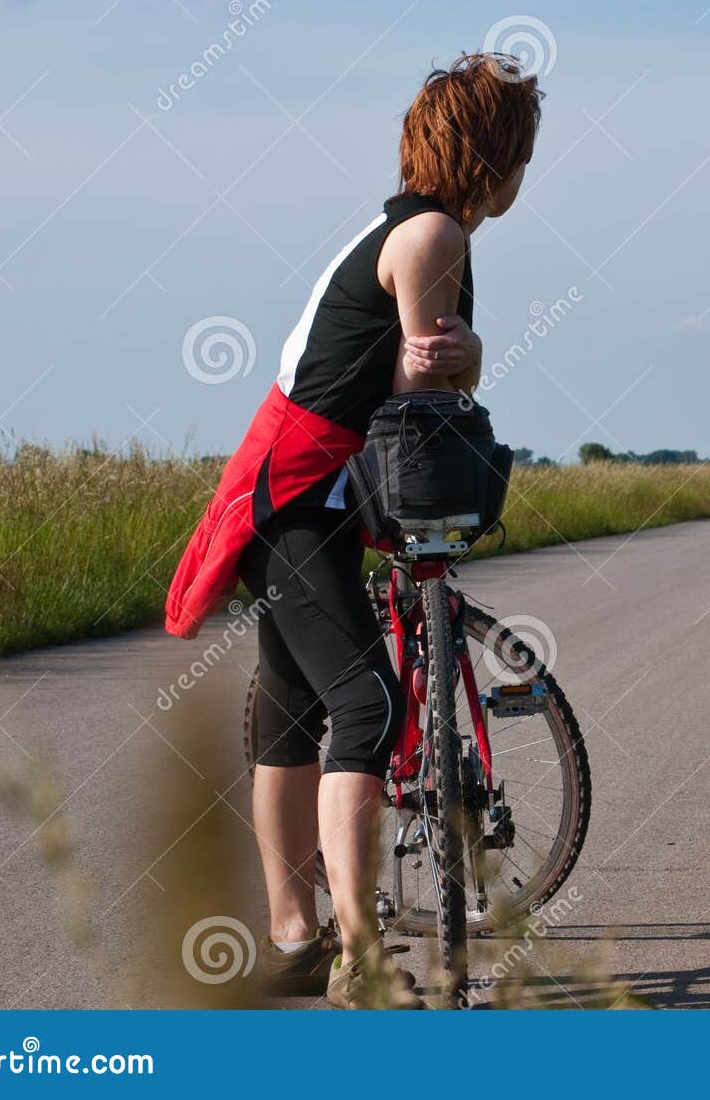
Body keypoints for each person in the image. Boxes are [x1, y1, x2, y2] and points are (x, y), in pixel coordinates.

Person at [164, 53, 541, 1008]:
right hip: (294, 494)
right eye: (523, 152)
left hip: (296, 488)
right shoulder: (431, 236)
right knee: (368, 703)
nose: (526, 174)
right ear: (496, 155)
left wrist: (469, 355)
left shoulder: (411, 227)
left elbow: (422, 370)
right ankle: (360, 958)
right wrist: (473, 361)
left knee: (291, 711)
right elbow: (423, 393)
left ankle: (295, 935)